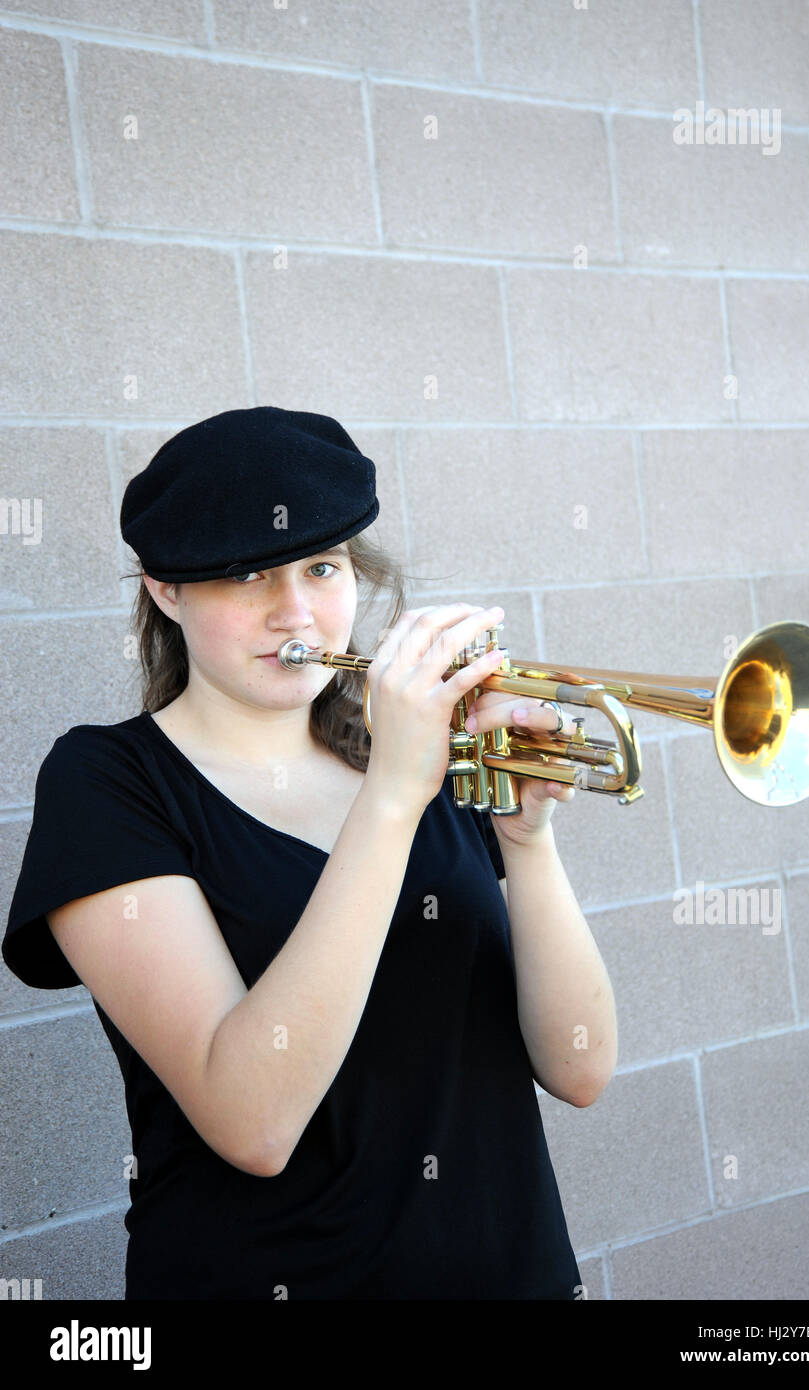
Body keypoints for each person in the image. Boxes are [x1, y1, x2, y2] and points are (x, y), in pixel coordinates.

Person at [2, 406, 617, 1300]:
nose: (294, 611)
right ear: (164, 591)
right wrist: (397, 795)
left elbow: (580, 1067)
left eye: (321, 569)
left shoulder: (411, 755)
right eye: (246, 573)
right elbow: (252, 1121)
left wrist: (527, 840)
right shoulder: (108, 782)